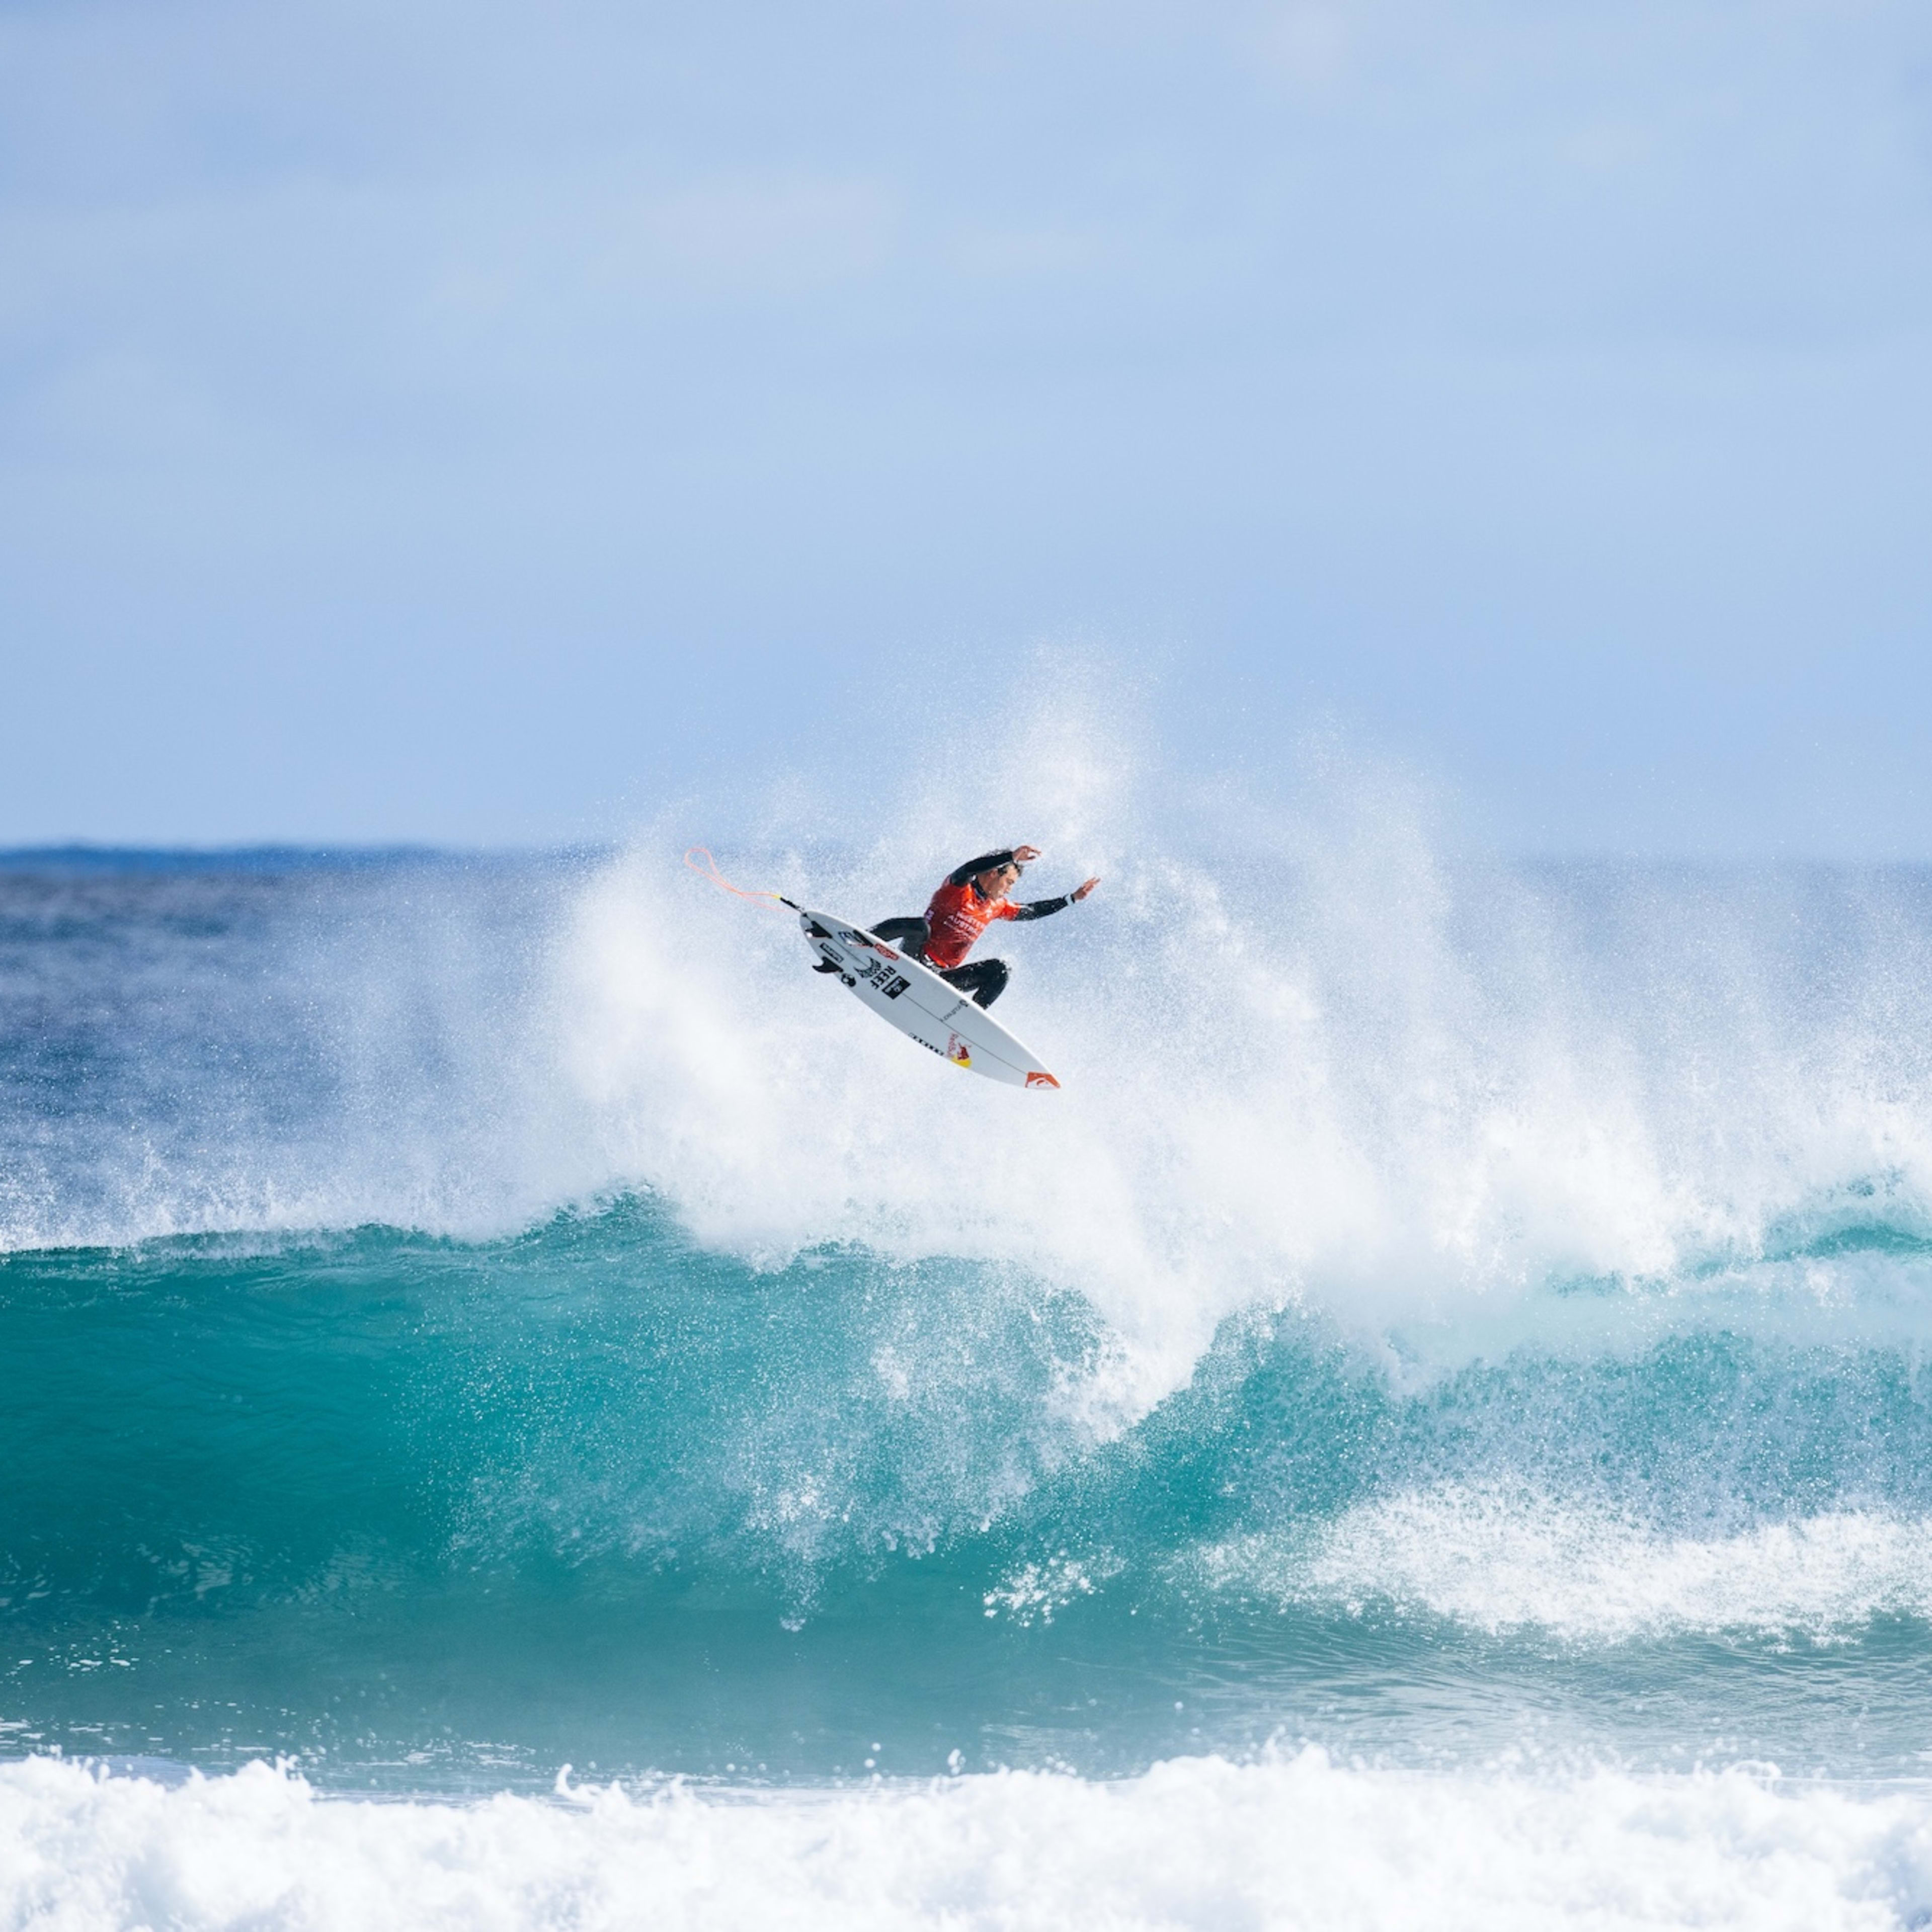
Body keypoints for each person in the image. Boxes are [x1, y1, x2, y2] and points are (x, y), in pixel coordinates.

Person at [819, 845, 1100, 1009]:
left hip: (941, 979)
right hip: (912, 960)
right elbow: (969, 868)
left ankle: (964, 1020)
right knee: (918, 927)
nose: (1009, 889)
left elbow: (1032, 911)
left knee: (1001, 970)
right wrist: (1010, 856)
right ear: (994, 873)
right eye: (1009, 882)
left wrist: (1072, 899)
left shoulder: (997, 907)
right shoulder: (957, 889)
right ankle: (851, 946)